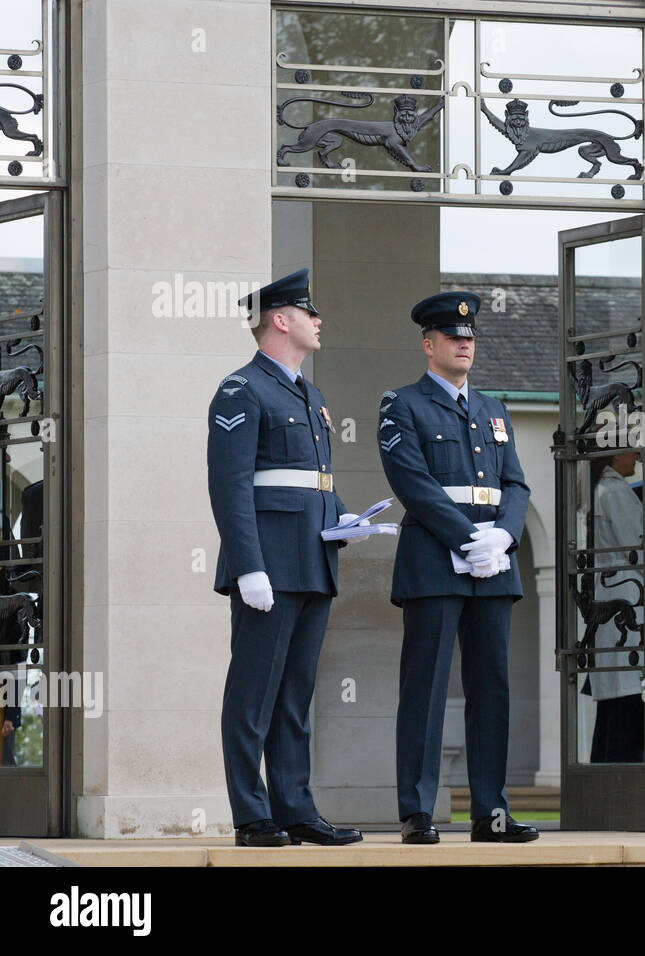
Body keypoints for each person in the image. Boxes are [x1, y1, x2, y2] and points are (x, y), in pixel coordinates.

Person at [207, 268, 363, 848]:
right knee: (253, 695)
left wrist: (344, 517)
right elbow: (231, 484)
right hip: (268, 564)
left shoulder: (310, 394)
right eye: (308, 312)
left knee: (295, 696)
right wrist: (249, 566)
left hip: (312, 558)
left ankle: (295, 808)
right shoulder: (241, 390)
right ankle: (252, 815)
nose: (318, 321)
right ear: (280, 320)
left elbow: (314, 480)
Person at [377, 290, 538, 845]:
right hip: (434, 561)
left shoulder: (493, 408)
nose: (464, 344)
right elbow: (411, 481)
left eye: (470, 338)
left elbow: (515, 481)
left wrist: (503, 537)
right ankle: (417, 811)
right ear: (429, 344)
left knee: (491, 688)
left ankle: (490, 814)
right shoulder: (402, 404)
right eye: (453, 337)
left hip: (492, 563)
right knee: (424, 687)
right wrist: (468, 538)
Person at [587, 447, 644, 763]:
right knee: (627, 701)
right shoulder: (614, 490)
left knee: (613, 707)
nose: (636, 456)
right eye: (630, 450)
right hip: (628, 597)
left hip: (614, 595)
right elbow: (637, 546)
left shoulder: (601, 488)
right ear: (612, 456)